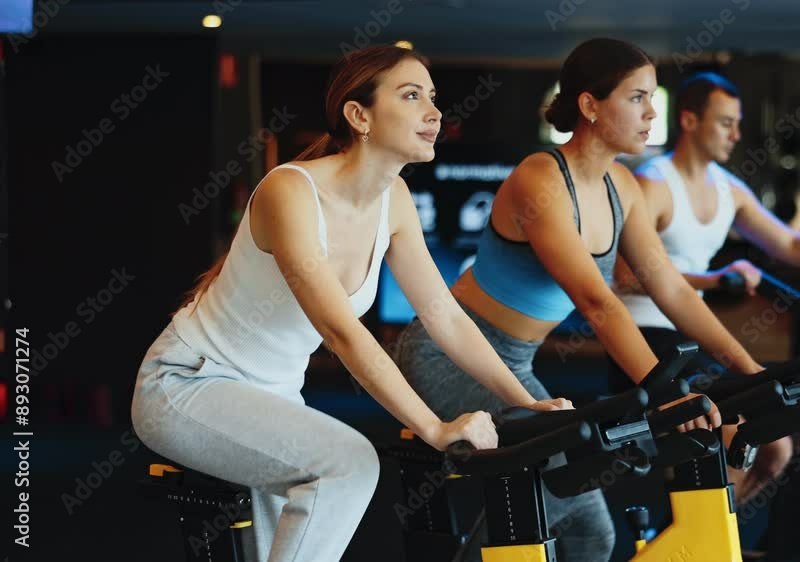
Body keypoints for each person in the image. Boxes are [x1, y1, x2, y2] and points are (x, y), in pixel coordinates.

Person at [130, 45, 569, 562]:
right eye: (411, 96)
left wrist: (525, 402)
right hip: (187, 385)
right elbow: (341, 332)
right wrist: (434, 427)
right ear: (359, 115)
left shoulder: (395, 201)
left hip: (274, 398)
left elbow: (444, 314)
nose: (434, 111)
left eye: (433, 97)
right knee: (350, 463)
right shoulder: (289, 192)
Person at [394, 38, 769, 562]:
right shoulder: (540, 178)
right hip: (448, 353)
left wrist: (751, 371)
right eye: (637, 97)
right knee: (549, 497)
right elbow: (597, 302)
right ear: (590, 106)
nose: (651, 112)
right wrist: (665, 392)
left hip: (514, 363)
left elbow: (671, 288)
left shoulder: (623, 186)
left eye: (652, 98)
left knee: (594, 533)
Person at [612, 71, 800, 506]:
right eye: (724, 122)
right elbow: (625, 276)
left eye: (737, 122)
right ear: (690, 121)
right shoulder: (655, 183)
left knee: (776, 448)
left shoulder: (727, 188)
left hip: (691, 335)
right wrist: (712, 281)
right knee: (733, 441)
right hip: (643, 339)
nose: (736, 133)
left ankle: (706, 540)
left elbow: (789, 244)